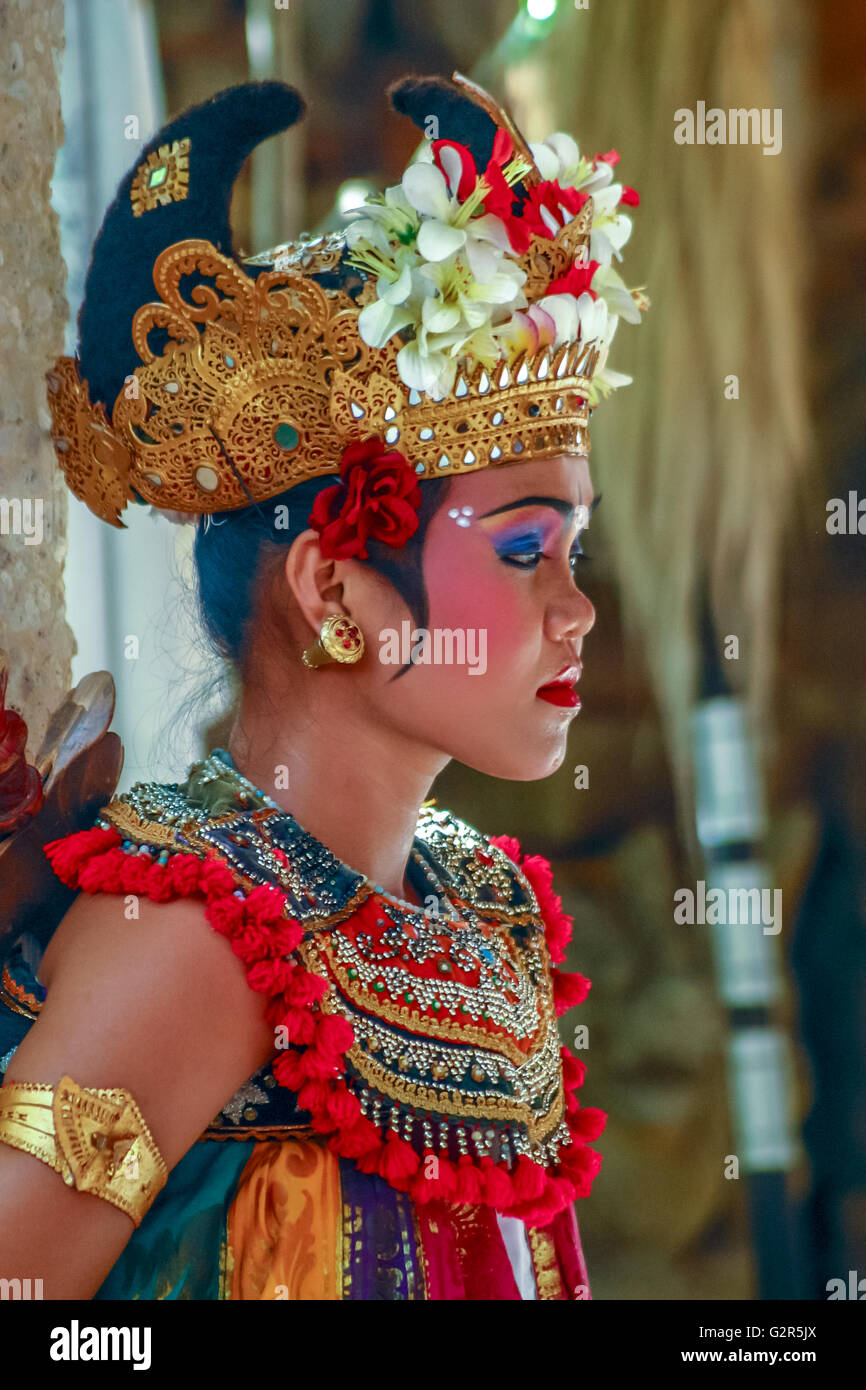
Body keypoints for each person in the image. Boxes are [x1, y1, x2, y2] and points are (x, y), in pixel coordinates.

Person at [0, 72, 647, 1300]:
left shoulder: (468, 895)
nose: (576, 611)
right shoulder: (189, 948)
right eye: (521, 551)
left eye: (574, 551)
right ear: (334, 590)